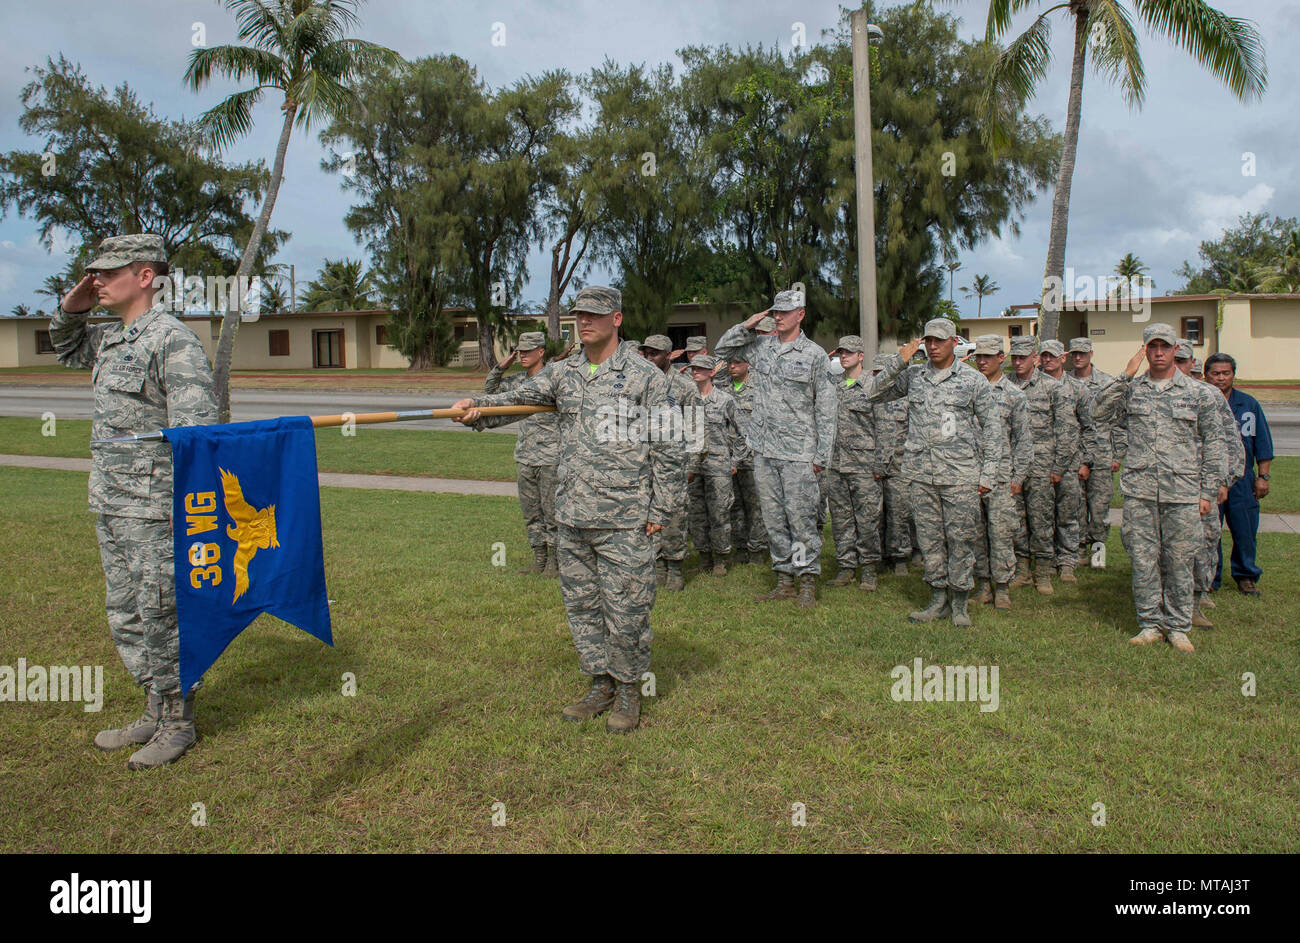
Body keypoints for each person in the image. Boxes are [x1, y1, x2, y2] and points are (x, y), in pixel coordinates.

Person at [454, 287, 683, 732]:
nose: (584, 322)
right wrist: (476, 409)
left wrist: (663, 507)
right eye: (579, 315)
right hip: (573, 513)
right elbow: (519, 399)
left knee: (628, 610)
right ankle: (600, 684)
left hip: (625, 516)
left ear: (617, 318)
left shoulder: (646, 377)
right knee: (582, 606)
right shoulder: (564, 373)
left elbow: (672, 446)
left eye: (595, 315)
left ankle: (630, 690)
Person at [50, 233, 217, 769]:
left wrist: (183, 510)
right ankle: (154, 706)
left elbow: (197, 435)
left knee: (160, 613)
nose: (95, 279)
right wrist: (72, 305)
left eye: (108, 271)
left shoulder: (172, 340)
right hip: (111, 501)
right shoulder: (114, 340)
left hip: (155, 508)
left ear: (145, 276)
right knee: (125, 613)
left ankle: (178, 722)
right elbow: (65, 345)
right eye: (93, 272)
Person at [1093, 323, 1226, 653]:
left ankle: (1179, 626)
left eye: (1164, 346)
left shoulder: (1199, 394)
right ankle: (1150, 623)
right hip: (1140, 492)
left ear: (1175, 350)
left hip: (1182, 493)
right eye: (1152, 346)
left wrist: (1208, 492)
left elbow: (1215, 443)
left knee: (1180, 560)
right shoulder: (1133, 390)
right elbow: (1097, 412)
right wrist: (1124, 376)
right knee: (1143, 560)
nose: (1159, 352)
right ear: (1145, 350)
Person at [864, 319, 1001, 627]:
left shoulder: (972, 380)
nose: (933, 346)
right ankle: (938, 598)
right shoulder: (913, 376)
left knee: (962, 538)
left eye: (939, 341)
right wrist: (899, 361)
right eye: (928, 341)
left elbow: (992, 428)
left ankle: (961, 602)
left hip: (961, 474)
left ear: (954, 341)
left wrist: (988, 473)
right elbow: (872, 393)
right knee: (929, 540)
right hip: (921, 474)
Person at [714, 289, 836, 609]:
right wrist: (747, 325)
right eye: (775, 312)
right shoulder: (760, 347)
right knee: (773, 519)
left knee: (801, 519)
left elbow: (826, 408)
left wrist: (822, 455)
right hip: (765, 451)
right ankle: (784, 579)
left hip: (799, 452)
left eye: (784, 312)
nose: (778, 317)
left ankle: (806, 578)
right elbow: (722, 349)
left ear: (801, 314)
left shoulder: (814, 355)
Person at [473, 332, 560, 577]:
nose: (522, 355)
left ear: (540, 352)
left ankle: (555, 562)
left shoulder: (552, 379)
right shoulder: (519, 380)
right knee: (531, 512)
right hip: (525, 456)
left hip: (551, 457)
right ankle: (539, 559)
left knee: (551, 512)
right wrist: (501, 367)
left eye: (527, 351)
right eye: (519, 351)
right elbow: (490, 392)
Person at [1173, 341, 1243, 627]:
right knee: (1174, 547)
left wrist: (1224, 480)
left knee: (1205, 542)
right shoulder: (1156, 393)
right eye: (1174, 360)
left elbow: (1231, 441)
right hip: (1170, 485)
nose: (1177, 366)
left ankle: (1199, 596)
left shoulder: (1209, 395)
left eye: (1183, 361)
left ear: (1192, 363)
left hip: (1204, 485)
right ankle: (1173, 599)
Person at [971, 335, 1033, 610]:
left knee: (1001, 533)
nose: (982, 361)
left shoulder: (1014, 395)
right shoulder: (968, 390)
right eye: (978, 357)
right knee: (975, 533)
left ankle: (1003, 587)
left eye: (987, 356)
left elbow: (1024, 441)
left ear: (1001, 358)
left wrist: (1018, 478)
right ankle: (982, 584)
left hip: (1000, 477)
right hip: (970, 474)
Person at [1204, 352, 1274, 598]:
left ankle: (1246, 575)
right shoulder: (1199, 402)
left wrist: (1262, 477)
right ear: (1206, 375)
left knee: (1245, 530)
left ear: (1233, 375)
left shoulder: (1248, 404)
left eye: (1226, 373)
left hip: (1242, 480)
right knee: (1209, 532)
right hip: (1210, 480)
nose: (1221, 378)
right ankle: (1210, 576)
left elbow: (1262, 442)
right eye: (1215, 373)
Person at [1008, 336, 1073, 595]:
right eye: (1014, 357)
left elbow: (1066, 430)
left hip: (1041, 465)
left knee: (1042, 518)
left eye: (1023, 357)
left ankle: (1043, 571)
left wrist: (1058, 467)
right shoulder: (1006, 385)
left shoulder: (1052, 387)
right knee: (1016, 519)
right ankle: (1022, 569)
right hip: (1013, 465)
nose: (1018, 362)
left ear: (1034, 358)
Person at [637, 334, 697, 591]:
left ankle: (675, 567)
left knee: (673, 514)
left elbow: (696, 427)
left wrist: (693, 463)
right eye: (646, 354)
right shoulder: (638, 384)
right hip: (644, 460)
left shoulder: (684, 386)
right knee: (647, 512)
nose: (650, 358)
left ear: (669, 355)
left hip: (674, 462)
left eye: (655, 354)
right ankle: (657, 564)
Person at [823, 336, 883, 590]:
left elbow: (884, 426)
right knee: (840, 519)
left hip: (864, 465)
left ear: (861, 356)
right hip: (836, 464)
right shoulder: (832, 386)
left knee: (867, 519)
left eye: (849, 353)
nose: (843, 356)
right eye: (840, 353)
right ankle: (846, 566)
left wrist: (880, 464)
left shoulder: (872, 386)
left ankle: (869, 569)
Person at [1038, 339, 1098, 583]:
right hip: (1041, 462)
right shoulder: (1035, 386)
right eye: (1044, 356)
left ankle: (1067, 562)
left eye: (1052, 356)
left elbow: (1089, 428)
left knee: (1068, 515)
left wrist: (1086, 461)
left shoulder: (1077, 389)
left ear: (1063, 358)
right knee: (1042, 515)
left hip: (1070, 463)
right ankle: (1048, 560)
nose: (1047, 360)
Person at [685, 354, 745, 575]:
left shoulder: (725, 400)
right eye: (693, 368)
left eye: (701, 368)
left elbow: (743, 431)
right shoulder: (687, 399)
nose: (696, 371)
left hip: (718, 466)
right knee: (697, 515)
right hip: (693, 468)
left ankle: (720, 558)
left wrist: (736, 460)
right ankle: (704, 558)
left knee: (719, 513)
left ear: (712, 372)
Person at [1070, 337, 1125, 566]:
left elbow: (1120, 422)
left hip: (1102, 456)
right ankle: (1079, 549)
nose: (1078, 357)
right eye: (1075, 353)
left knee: (1100, 507)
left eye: (1083, 353)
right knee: (1076, 506)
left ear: (1091, 354)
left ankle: (1098, 553)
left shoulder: (1106, 383)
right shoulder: (1065, 382)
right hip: (1074, 455)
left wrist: (1117, 455)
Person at [872, 353, 913, 575]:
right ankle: (877, 555)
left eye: (883, 373)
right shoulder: (871, 399)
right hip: (873, 466)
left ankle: (900, 558)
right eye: (877, 373)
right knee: (874, 514)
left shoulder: (906, 399)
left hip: (900, 465)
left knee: (899, 513)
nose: (880, 378)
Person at [725, 355, 768, 563]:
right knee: (735, 505)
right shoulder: (724, 391)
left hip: (753, 458)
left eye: (737, 363)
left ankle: (758, 548)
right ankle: (740, 547)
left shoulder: (758, 389)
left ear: (748, 364)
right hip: (729, 457)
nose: (732, 366)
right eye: (730, 363)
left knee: (756, 506)